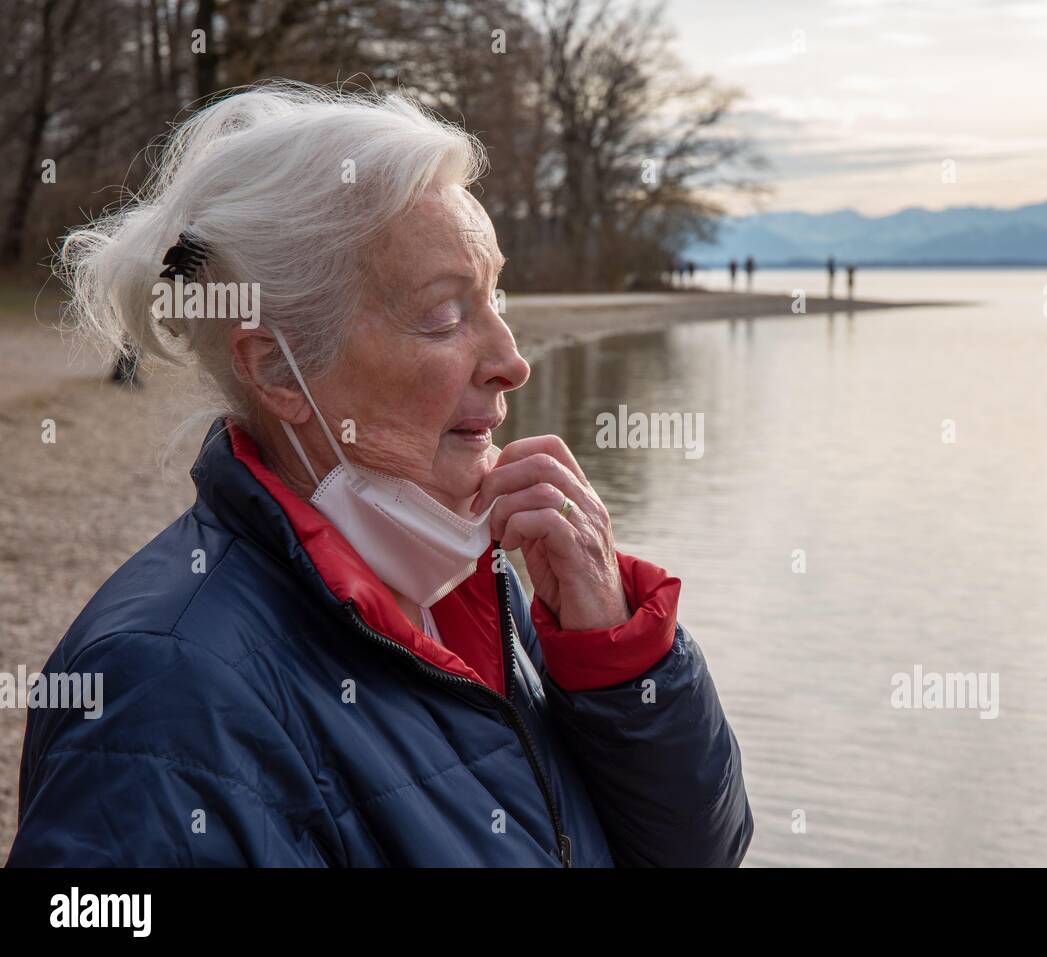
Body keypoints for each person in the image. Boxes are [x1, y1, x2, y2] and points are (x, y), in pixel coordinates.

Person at [7, 83, 753, 868]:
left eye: (496, 298)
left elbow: (697, 852)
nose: (512, 361)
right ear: (277, 370)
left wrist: (611, 653)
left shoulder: (474, 579)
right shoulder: (161, 691)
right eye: (444, 316)